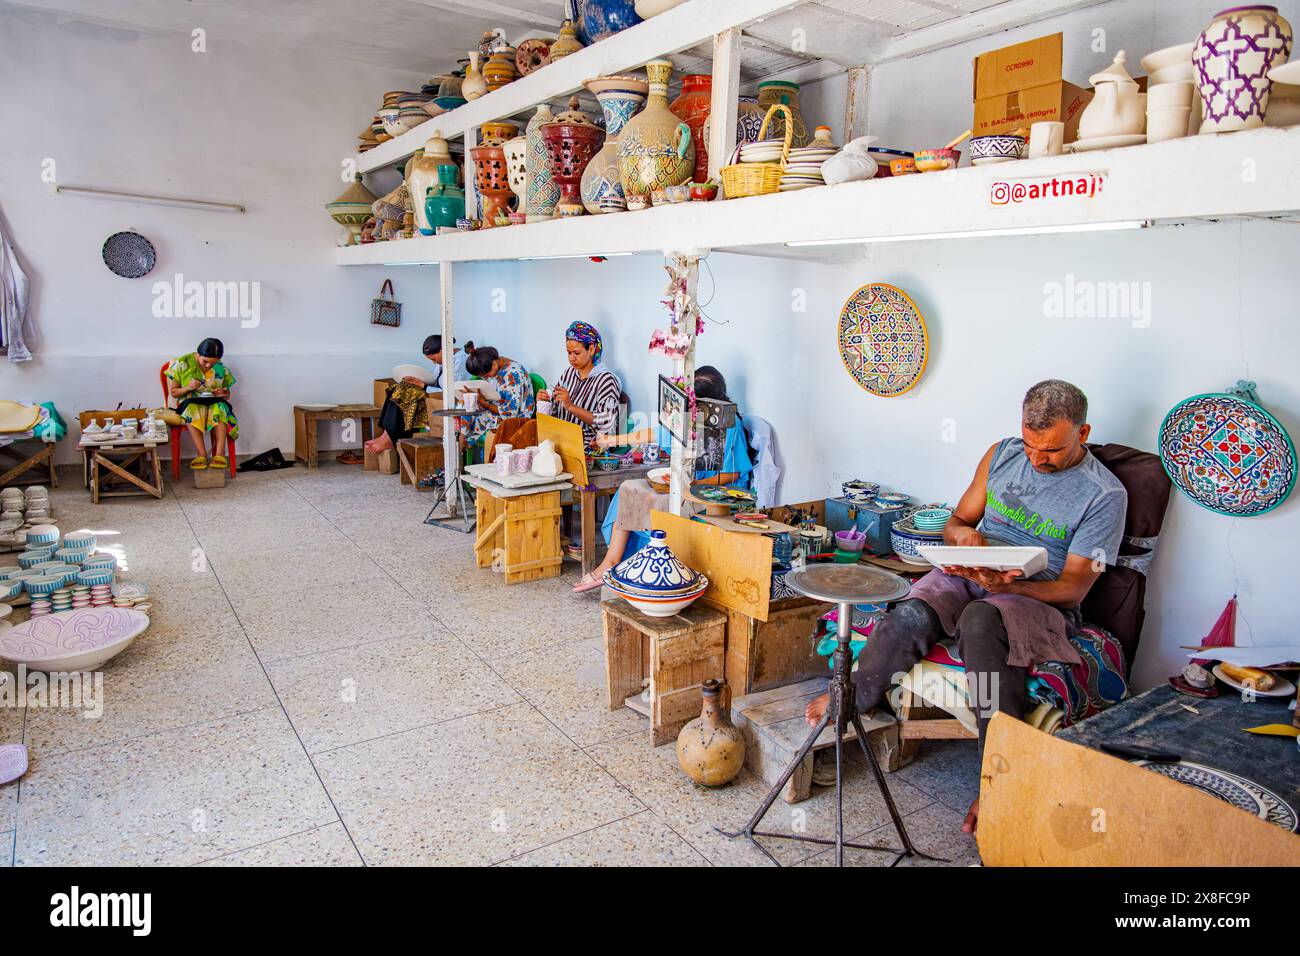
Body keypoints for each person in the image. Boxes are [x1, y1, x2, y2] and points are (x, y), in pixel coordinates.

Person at [804, 380, 1127, 835]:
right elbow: (957, 522)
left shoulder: (1104, 495)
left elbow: (1073, 589)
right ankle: (853, 696)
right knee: (912, 612)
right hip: (974, 574)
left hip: (1035, 598)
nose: (1037, 459)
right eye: (1031, 445)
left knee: (981, 621)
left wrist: (1004, 585)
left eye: (1051, 450)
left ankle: (996, 778)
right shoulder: (1004, 454)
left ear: (1083, 432)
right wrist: (964, 541)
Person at [572, 366, 752, 593]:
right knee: (629, 489)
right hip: (684, 481)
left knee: (654, 502)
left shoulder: (729, 424)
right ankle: (611, 562)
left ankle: (637, 568)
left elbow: (732, 474)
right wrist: (611, 440)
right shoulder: (690, 414)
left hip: (713, 491)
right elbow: (655, 433)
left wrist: (694, 485)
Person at [363, 334, 453, 457]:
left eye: (434, 358)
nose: (433, 362)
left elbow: (447, 391)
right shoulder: (442, 363)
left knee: (407, 393)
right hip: (433, 393)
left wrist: (423, 385)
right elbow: (435, 383)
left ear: (442, 351)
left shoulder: (457, 364)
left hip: (442, 400)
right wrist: (418, 381)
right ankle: (385, 435)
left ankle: (389, 439)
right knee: (396, 388)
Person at [537, 322, 621, 449]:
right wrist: (545, 401)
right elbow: (555, 410)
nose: (572, 358)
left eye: (576, 353)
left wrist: (571, 406)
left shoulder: (606, 380)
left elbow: (607, 421)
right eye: (569, 353)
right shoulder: (569, 373)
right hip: (560, 442)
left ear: (591, 349)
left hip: (585, 449)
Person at [166, 337, 238, 470]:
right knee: (191, 408)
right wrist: (189, 387)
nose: (208, 366)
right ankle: (201, 454)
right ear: (198, 354)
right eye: (205, 361)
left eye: (213, 363)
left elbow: (228, 395)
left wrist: (223, 393)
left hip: (212, 403)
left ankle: (219, 454)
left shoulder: (220, 367)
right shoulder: (182, 363)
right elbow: (174, 392)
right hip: (189, 402)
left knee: (220, 407)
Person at [459, 346, 536, 448]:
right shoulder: (500, 364)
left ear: (494, 364)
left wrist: (485, 404)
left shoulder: (512, 375)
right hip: (501, 410)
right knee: (464, 407)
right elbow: (499, 396)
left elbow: (509, 414)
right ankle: (460, 444)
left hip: (516, 419)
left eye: (486, 376)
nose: (486, 378)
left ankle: (460, 446)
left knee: (468, 413)